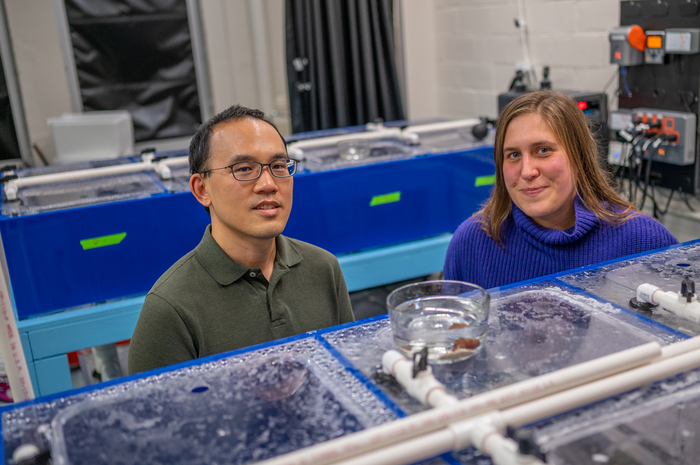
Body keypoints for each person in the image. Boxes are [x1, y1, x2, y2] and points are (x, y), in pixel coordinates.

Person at [129, 105, 355, 374]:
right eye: (245, 169)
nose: (268, 183)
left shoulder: (323, 268)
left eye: (279, 166)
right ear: (202, 189)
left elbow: (346, 376)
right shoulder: (169, 308)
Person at [444, 91, 678, 289]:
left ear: (578, 157)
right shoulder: (471, 243)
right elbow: (455, 338)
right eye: (513, 155)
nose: (527, 171)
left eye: (543, 150)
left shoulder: (644, 241)